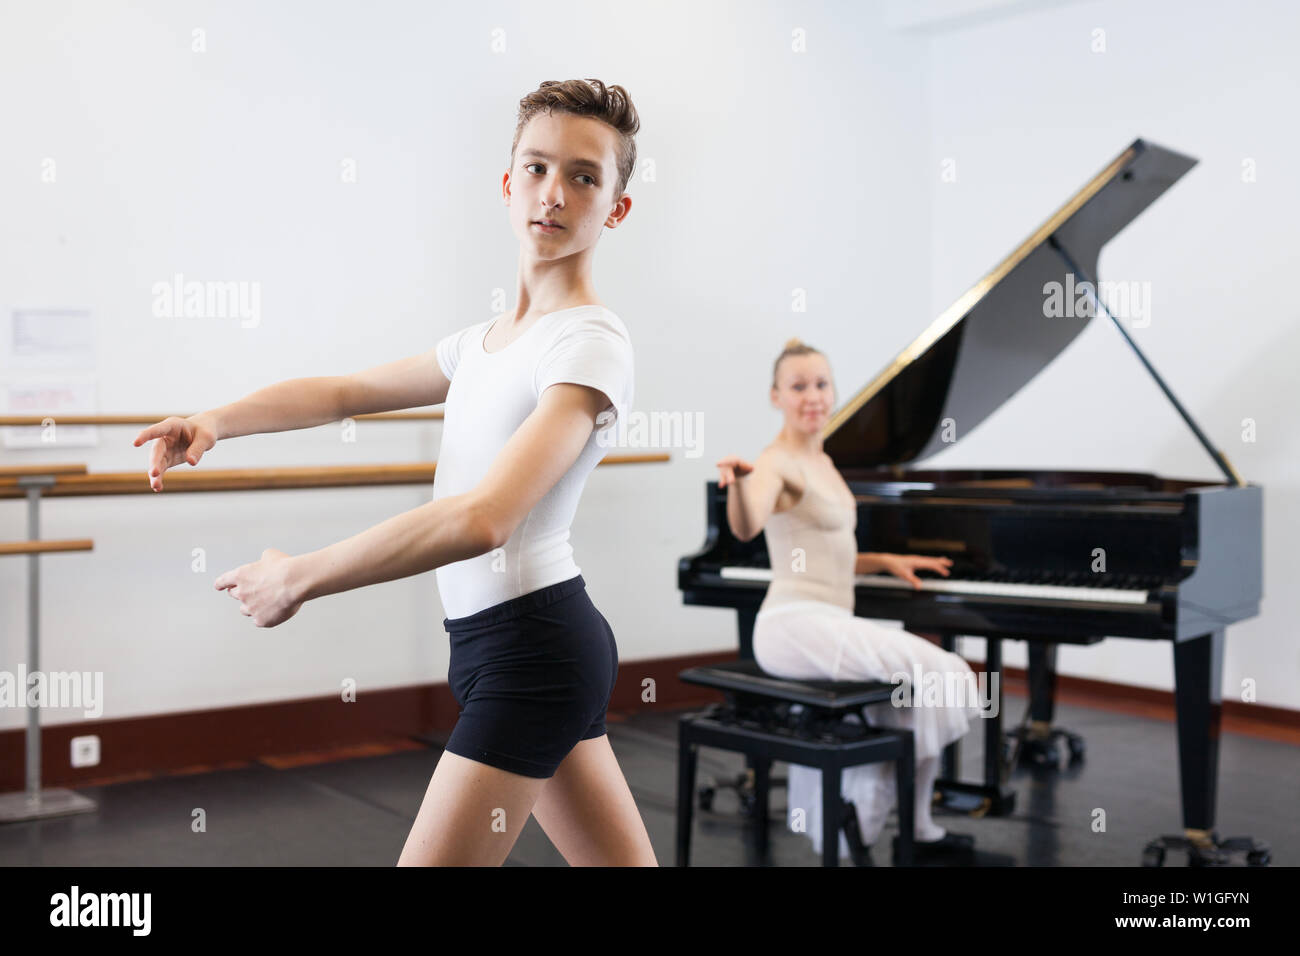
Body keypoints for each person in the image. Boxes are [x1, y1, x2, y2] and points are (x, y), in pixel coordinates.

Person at [133, 78, 658, 866]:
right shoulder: (485, 342)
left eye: (584, 176)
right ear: (507, 180)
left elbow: (485, 517)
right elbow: (344, 391)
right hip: (500, 646)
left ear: (615, 207)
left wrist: (300, 576)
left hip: (534, 652)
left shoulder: (589, 344)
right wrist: (216, 420)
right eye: (538, 167)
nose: (553, 193)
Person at [716, 337, 982, 863]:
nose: (812, 395)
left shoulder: (826, 463)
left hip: (828, 620)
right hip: (792, 625)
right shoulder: (776, 462)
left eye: (821, 384)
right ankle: (855, 831)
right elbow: (747, 526)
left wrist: (884, 561)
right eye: (798, 387)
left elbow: (826, 550)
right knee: (943, 672)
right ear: (776, 397)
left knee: (908, 707)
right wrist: (738, 486)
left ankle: (918, 828)